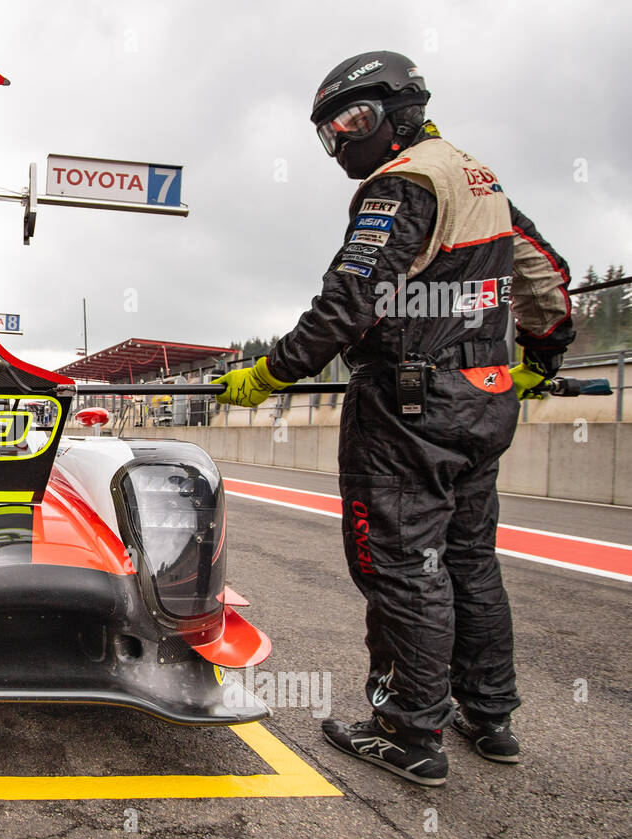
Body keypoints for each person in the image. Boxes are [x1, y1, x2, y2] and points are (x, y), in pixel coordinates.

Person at [213, 52, 574, 786]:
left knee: (404, 568)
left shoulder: (402, 183)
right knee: (469, 560)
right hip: (484, 399)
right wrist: (542, 356)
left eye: (351, 120)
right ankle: (489, 714)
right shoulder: (477, 177)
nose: (341, 141)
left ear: (399, 111)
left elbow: (351, 302)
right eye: (329, 132)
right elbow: (545, 276)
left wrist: (268, 372)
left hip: (410, 409)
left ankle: (407, 730)